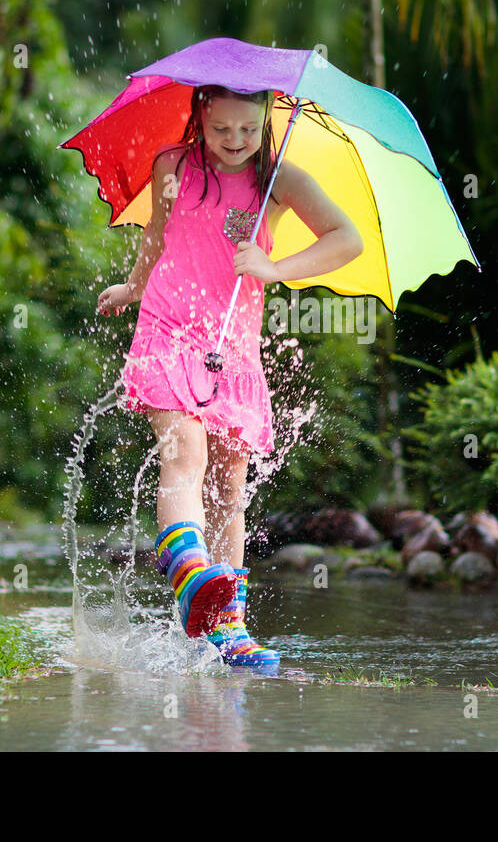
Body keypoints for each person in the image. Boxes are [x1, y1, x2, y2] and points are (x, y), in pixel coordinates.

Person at [98, 84, 363, 667]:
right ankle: (192, 576)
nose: (236, 141)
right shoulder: (172, 164)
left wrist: (275, 266)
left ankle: (229, 629)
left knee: (228, 489)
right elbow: (157, 234)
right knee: (184, 454)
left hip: (233, 349)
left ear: (267, 121)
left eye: (249, 129)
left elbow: (348, 239)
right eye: (222, 130)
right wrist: (136, 286)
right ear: (201, 115)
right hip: (168, 328)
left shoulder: (280, 179)